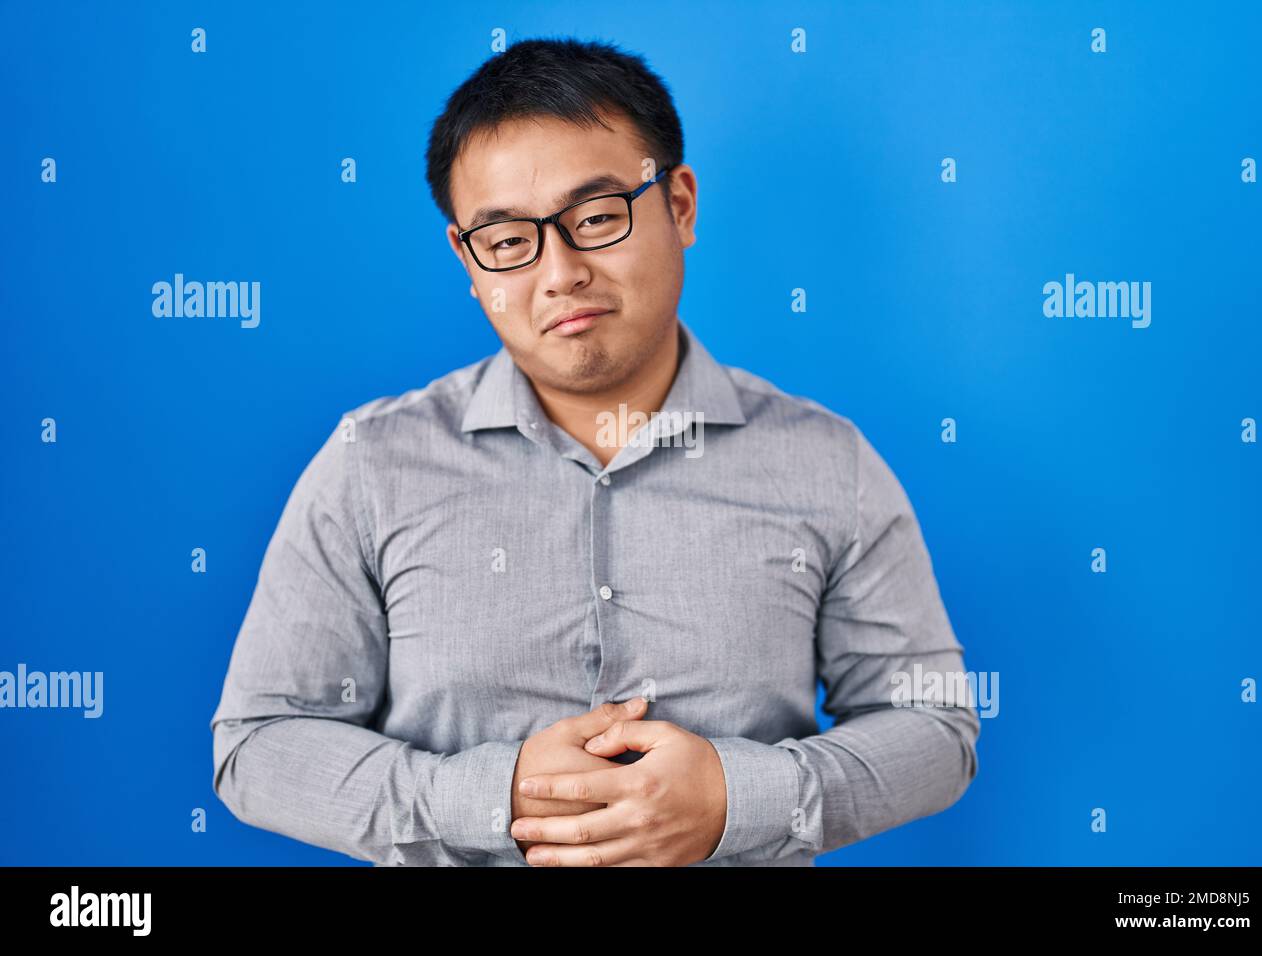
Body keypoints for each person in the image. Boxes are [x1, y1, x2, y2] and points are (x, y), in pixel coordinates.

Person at [209, 36, 979, 867]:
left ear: (679, 205)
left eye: (597, 217)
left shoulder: (827, 461)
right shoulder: (372, 463)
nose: (560, 272)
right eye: (507, 240)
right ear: (468, 262)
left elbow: (936, 727)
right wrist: (492, 797)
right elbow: (256, 745)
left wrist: (736, 794)